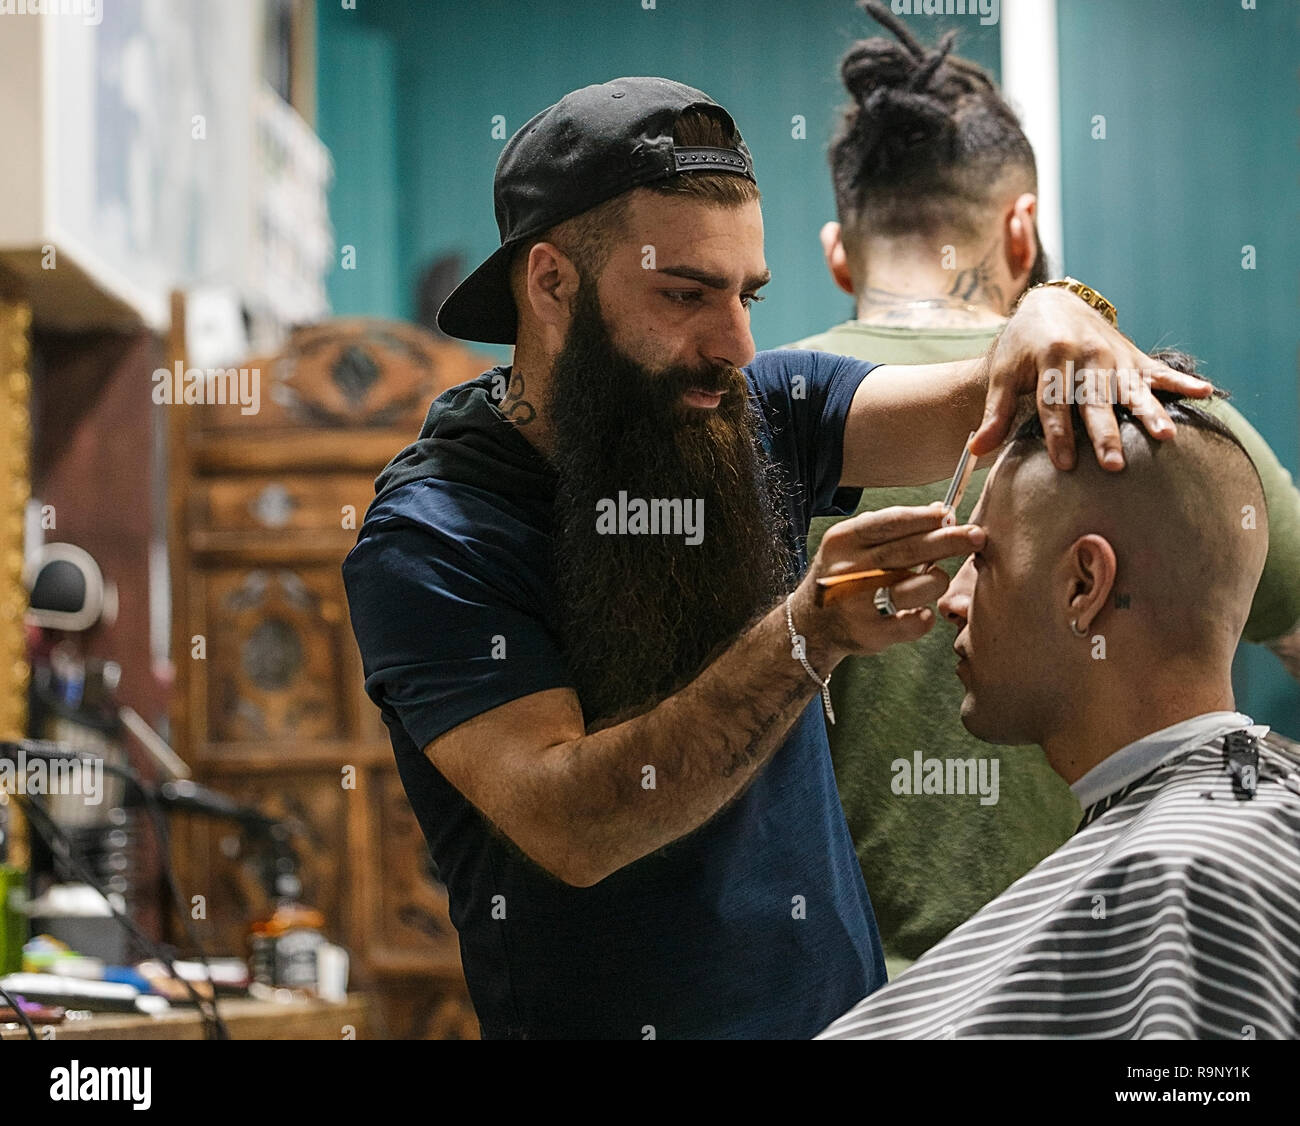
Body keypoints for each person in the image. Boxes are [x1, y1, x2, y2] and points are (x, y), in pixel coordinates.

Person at [341, 76, 1206, 1039]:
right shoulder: (438, 535)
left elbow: (980, 397)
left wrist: (1052, 311)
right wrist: (808, 635)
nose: (736, 344)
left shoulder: (756, 415)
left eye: (748, 296)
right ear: (551, 283)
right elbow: (574, 826)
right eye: (685, 295)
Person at [794, 1, 1300, 977]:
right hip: (1133, 989)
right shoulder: (1160, 422)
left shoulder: (747, 436)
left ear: (837, 253)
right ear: (1021, 231)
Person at [819, 377, 1300, 1040]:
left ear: (1084, 586)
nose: (952, 601)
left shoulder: (1195, 874)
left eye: (980, 559)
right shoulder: (1226, 827)